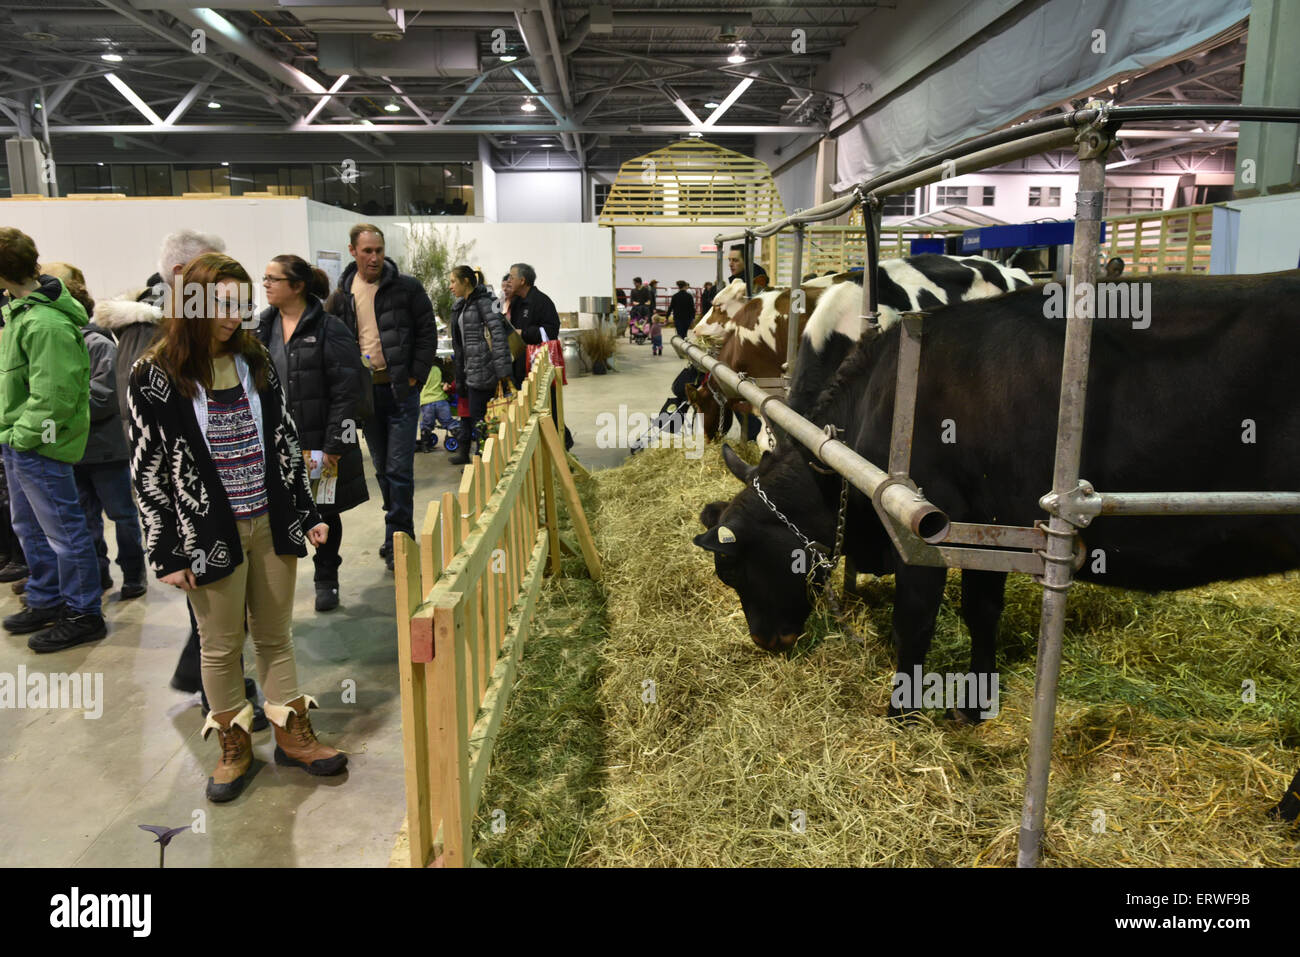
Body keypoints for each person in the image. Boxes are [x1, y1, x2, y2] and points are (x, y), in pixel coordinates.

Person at [128, 252, 346, 802]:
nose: (234, 316)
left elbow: (285, 438)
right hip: (206, 533)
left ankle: (293, 735)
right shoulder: (153, 375)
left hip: (269, 520)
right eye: (222, 305)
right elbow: (147, 469)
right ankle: (233, 744)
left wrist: (307, 510)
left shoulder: (256, 361)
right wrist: (167, 552)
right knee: (220, 645)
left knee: (276, 635)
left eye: (241, 304)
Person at [0, 229, 106, 652]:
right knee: (29, 527)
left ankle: (84, 612)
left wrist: (22, 438)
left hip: (38, 444)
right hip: (18, 440)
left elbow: (54, 397)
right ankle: (47, 598)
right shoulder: (20, 312)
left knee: (64, 531)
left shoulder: (44, 322)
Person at [255, 255, 369, 613]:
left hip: (319, 443)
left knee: (323, 511)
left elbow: (348, 391)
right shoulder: (262, 327)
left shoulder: (329, 328)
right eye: (265, 278)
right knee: (272, 510)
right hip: (274, 444)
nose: (266, 284)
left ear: (297, 285)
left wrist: (336, 443)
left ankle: (326, 578)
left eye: (273, 278)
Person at [326, 223, 436, 572]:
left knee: (399, 467)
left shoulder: (407, 288)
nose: (374, 257)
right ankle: (395, 526)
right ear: (353, 251)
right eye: (367, 251)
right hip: (366, 396)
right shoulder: (341, 295)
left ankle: (399, 536)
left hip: (401, 390)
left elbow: (427, 331)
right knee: (382, 469)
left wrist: (416, 374)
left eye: (379, 250)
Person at [42, 262, 147, 600]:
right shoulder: (61, 343)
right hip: (73, 450)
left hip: (106, 450)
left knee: (123, 515)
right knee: (86, 519)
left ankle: (134, 573)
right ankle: (99, 573)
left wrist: (60, 405)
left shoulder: (99, 344)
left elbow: (106, 396)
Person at [448, 265, 515, 466]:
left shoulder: (485, 302)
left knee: (482, 420)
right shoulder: (463, 305)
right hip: (472, 371)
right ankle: (483, 461)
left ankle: (483, 463)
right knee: (476, 419)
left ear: (466, 281)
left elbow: (498, 335)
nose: (450, 286)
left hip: (485, 372)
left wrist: (503, 374)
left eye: (453, 281)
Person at [507, 262, 574, 450]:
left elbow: (552, 331)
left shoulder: (542, 301)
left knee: (548, 407)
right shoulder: (516, 302)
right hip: (519, 364)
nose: (509, 280)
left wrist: (525, 334)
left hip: (539, 366)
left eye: (512, 277)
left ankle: (563, 443)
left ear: (523, 280)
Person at [417, 357, 457, 453]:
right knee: (449, 422)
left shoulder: (420, 370)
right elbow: (447, 382)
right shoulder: (438, 369)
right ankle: (460, 439)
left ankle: (425, 446)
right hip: (441, 400)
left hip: (426, 402)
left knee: (426, 425)